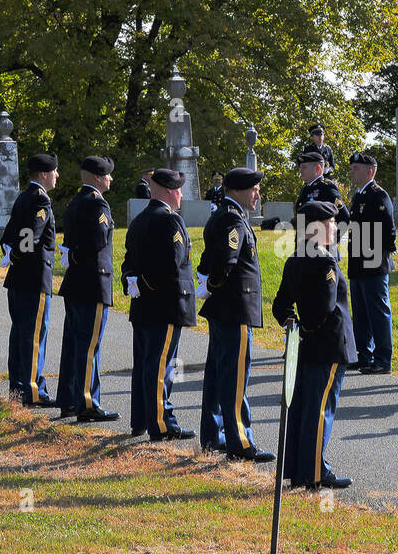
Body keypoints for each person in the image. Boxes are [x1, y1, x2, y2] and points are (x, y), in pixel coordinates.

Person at [272, 200, 354, 489]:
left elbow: (280, 305)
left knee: (305, 408)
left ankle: (298, 469)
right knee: (320, 410)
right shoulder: (325, 260)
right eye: (331, 223)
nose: (335, 227)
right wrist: (307, 327)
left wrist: (294, 325)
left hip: (306, 345)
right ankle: (316, 472)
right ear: (318, 226)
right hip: (329, 345)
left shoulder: (295, 258)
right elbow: (327, 305)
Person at [197, 167, 272, 462]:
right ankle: (240, 441)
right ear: (239, 190)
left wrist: (209, 283)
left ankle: (213, 435)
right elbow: (225, 261)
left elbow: (208, 262)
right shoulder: (232, 218)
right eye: (254, 189)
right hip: (234, 308)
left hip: (224, 308)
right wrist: (214, 284)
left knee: (219, 375)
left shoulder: (225, 214)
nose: (258, 195)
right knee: (235, 378)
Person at [122, 167, 197, 441]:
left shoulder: (140, 219)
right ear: (168, 190)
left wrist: (133, 282)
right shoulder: (169, 221)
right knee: (160, 365)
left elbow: (128, 262)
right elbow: (171, 264)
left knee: (145, 362)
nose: (181, 195)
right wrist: (144, 283)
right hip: (165, 305)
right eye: (178, 190)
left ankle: (141, 418)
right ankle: (162, 423)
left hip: (143, 304)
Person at [56, 156, 119, 422]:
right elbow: (98, 240)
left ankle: (69, 399)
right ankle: (87, 403)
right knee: (89, 346)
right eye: (107, 175)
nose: (110, 179)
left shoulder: (75, 201)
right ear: (96, 177)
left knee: (73, 343)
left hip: (75, 282)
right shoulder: (97, 204)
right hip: (92, 282)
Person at [0, 153, 59, 406]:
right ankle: (33, 390)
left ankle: (17, 387)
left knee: (20, 334)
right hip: (34, 278)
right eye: (54, 172)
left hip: (18, 278)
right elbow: (30, 237)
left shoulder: (23, 197)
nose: (57, 176)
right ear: (44, 174)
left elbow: (9, 235)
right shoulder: (40, 201)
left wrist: (11, 253)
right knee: (34, 335)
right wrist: (16, 253)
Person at [346, 151, 396, 374]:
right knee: (360, 312)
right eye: (352, 168)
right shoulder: (357, 197)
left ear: (370, 171)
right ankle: (364, 355)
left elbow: (389, 230)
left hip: (374, 262)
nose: (352, 172)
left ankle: (383, 359)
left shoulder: (378, 195)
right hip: (357, 262)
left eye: (356, 168)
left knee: (378, 311)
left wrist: (376, 255)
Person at [293, 151, 350, 225]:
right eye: (300, 167)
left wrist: (330, 236)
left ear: (318, 168)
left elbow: (344, 218)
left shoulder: (326, 187)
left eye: (304, 167)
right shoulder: (305, 189)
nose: (300, 171)